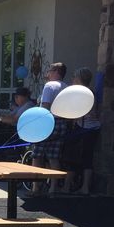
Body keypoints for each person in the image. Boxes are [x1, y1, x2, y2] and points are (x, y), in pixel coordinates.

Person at [59, 68, 100, 196]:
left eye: (74, 77)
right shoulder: (92, 92)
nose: (72, 80)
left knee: (72, 158)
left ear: (79, 79)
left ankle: (67, 187)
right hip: (93, 128)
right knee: (87, 158)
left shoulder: (81, 93)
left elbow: (76, 112)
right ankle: (84, 187)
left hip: (82, 128)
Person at [30, 62, 69, 195]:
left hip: (48, 122)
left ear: (57, 71)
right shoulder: (66, 87)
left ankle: (36, 187)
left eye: (50, 70)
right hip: (62, 123)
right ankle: (53, 187)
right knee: (54, 157)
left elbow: (45, 107)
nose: (48, 73)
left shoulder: (49, 86)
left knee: (37, 155)